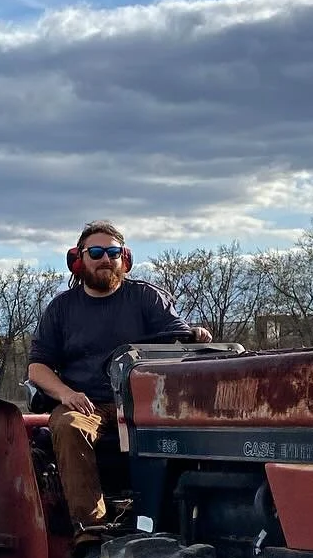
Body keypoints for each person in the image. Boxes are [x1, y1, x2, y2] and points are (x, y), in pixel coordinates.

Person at [27, 221, 208, 537]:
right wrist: (66, 393)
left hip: (143, 405)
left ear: (124, 258)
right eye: (95, 252)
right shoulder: (62, 308)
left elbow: (178, 340)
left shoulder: (146, 298)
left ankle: (179, 523)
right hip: (88, 407)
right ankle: (90, 529)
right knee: (68, 426)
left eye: (112, 252)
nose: (104, 259)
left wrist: (196, 336)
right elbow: (37, 368)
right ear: (80, 259)